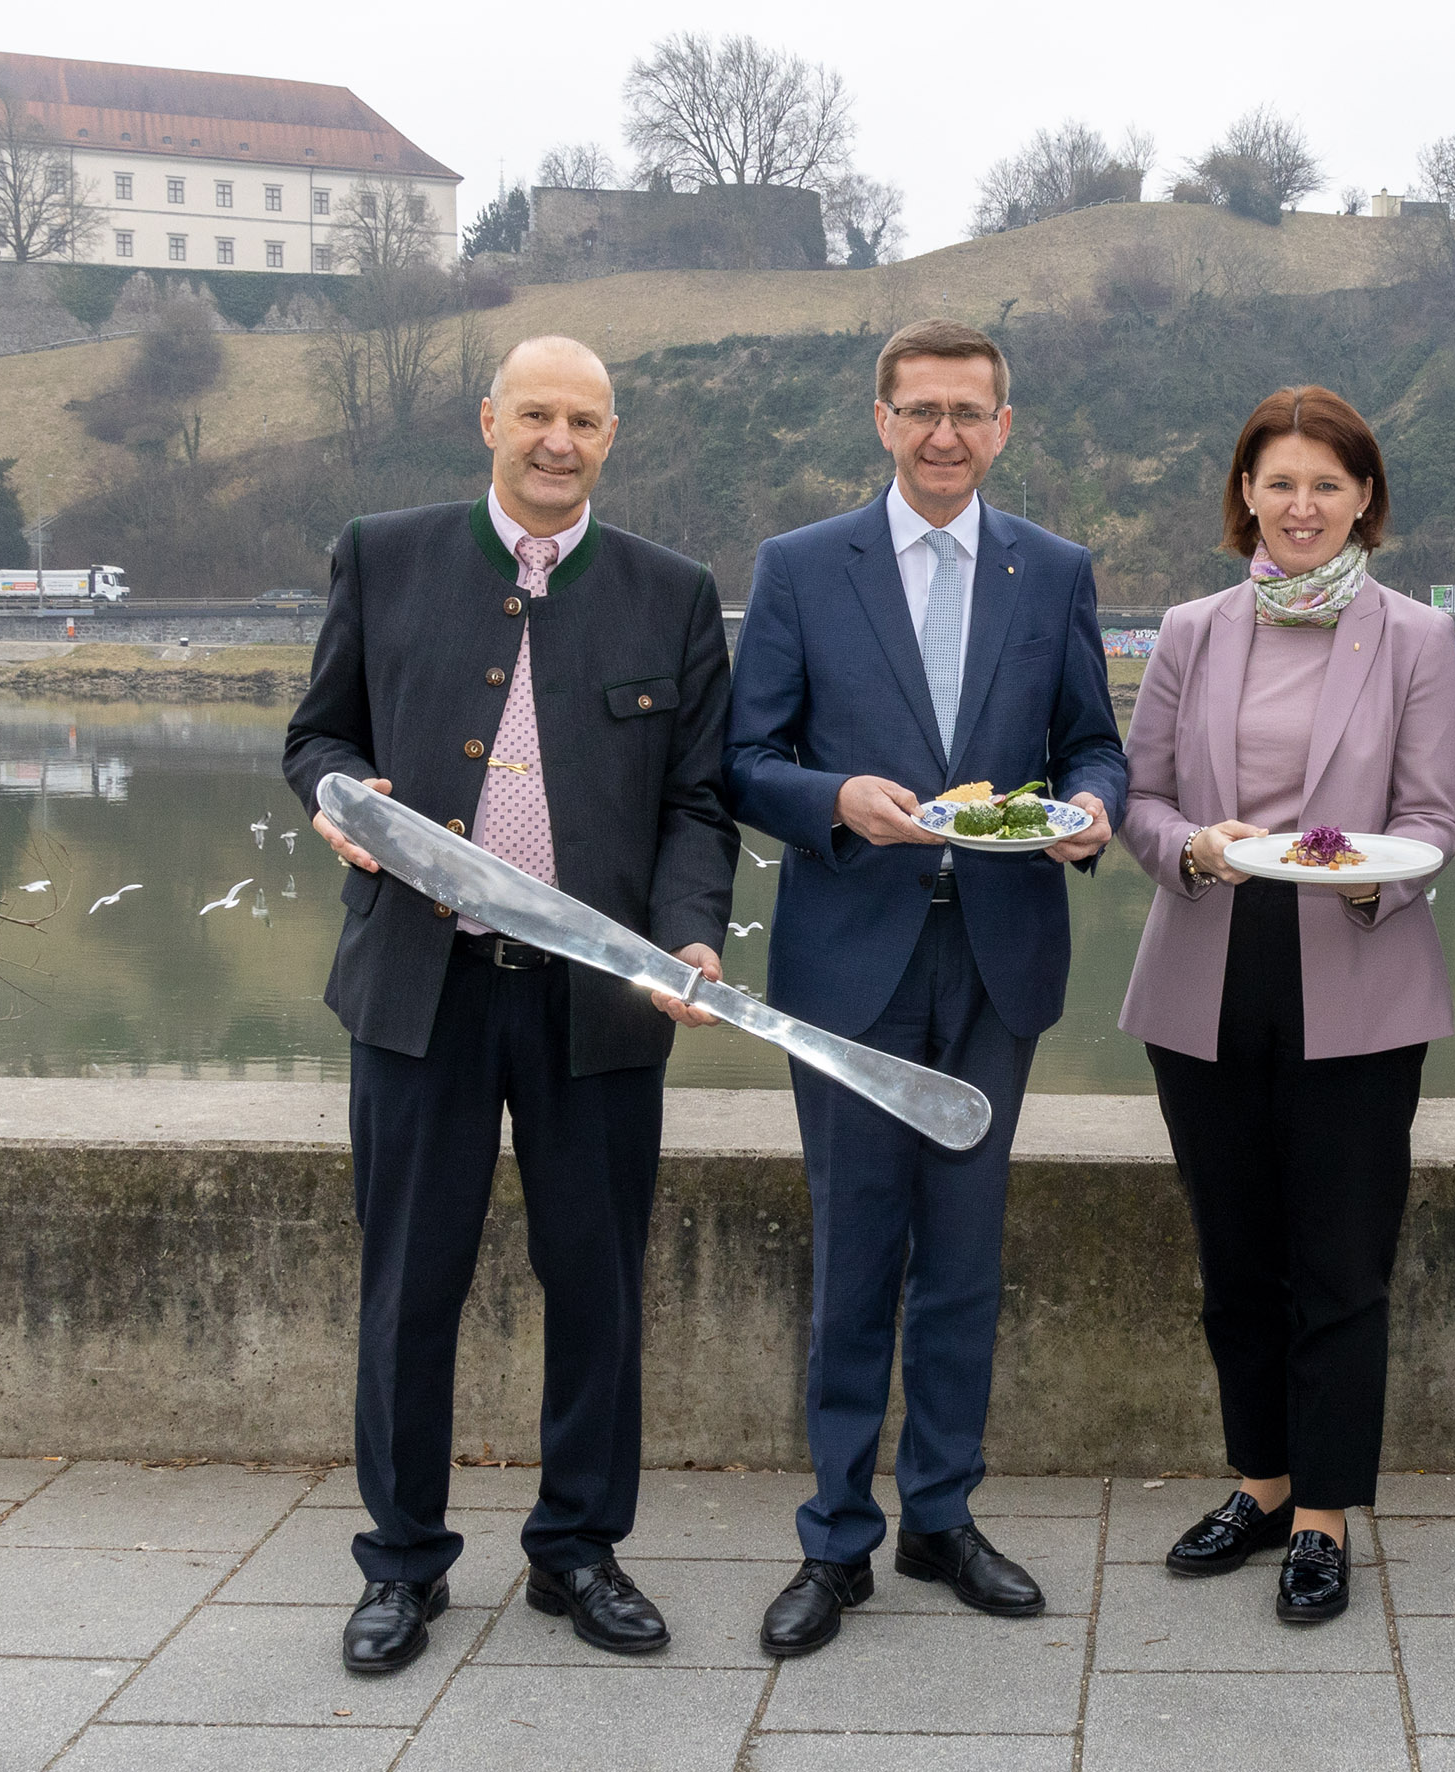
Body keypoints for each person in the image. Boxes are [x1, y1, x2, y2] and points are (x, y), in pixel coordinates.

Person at [284, 335, 739, 1674]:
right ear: (490, 419)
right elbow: (318, 735)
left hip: (598, 1002)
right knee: (408, 1283)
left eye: (584, 420)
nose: (558, 439)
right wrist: (338, 802)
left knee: (595, 1284)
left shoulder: (675, 591)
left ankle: (579, 1551)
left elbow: (695, 804)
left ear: (612, 436)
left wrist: (692, 938)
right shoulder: (384, 553)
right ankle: (402, 1565)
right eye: (535, 413)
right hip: (419, 993)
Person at [724, 318, 1128, 1659]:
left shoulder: (1052, 569)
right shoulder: (799, 567)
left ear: (1004, 427)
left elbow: (1095, 746)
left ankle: (942, 1516)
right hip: (850, 959)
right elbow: (746, 759)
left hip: (999, 958)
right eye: (921, 410)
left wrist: (1085, 809)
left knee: (962, 1257)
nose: (945, 432)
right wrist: (835, 798)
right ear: (882, 421)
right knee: (852, 1252)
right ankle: (835, 1537)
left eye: (970, 410)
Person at [1119, 386, 1455, 1625]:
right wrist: (1197, 850)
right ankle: (1258, 1483)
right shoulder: (1190, 629)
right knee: (1233, 1258)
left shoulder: (1418, 640)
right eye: (1279, 483)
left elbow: (1430, 823)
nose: (1302, 505)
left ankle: (1322, 1514)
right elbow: (1141, 800)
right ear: (1246, 497)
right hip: (1204, 963)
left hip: (1357, 972)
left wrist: (1360, 871)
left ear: (1364, 496)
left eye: (1327, 483)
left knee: (1340, 1260)